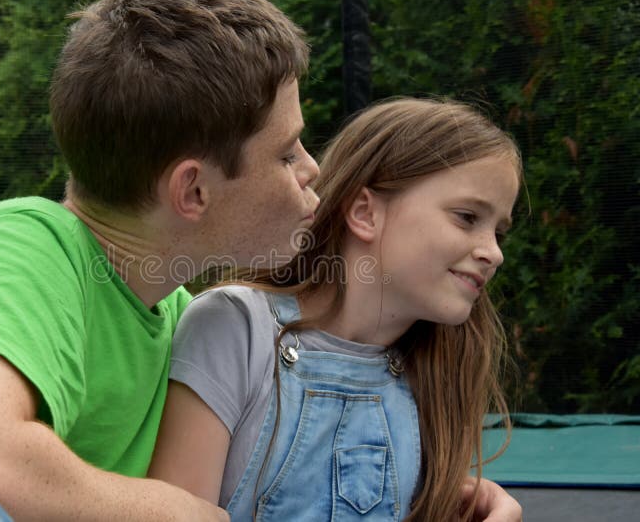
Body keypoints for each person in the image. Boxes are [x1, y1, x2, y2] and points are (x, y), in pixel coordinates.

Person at [0, 0, 319, 520]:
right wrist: (173, 512)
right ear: (193, 191)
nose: (311, 169)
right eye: (287, 152)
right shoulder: (27, 245)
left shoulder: (189, 322)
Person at [149, 97, 525, 521]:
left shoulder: (438, 377)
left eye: (499, 232)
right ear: (365, 213)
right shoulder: (234, 329)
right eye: (467, 216)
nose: (493, 253)